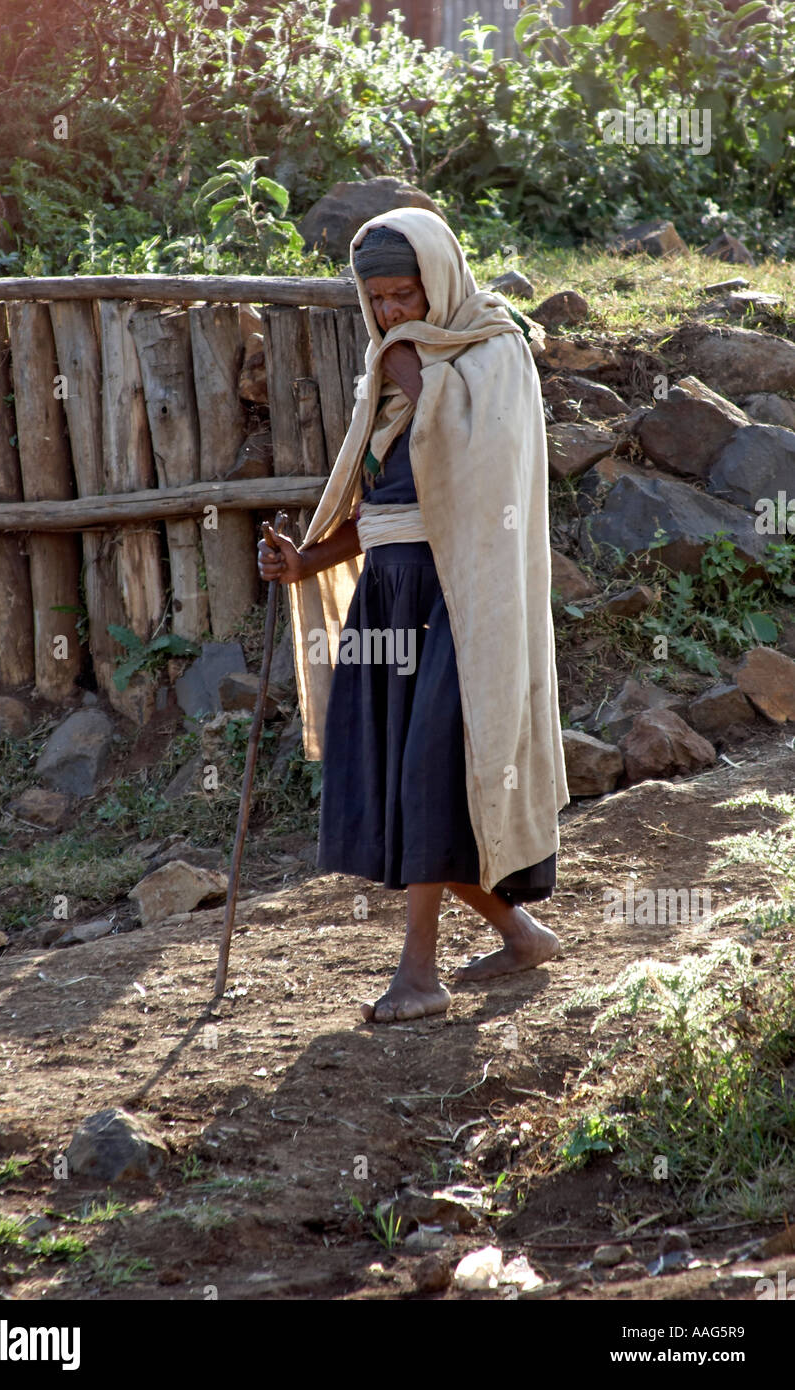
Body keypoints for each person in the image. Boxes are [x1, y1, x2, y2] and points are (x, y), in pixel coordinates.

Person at [258, 207, 570, 1023]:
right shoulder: (392, 366)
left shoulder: (494, 351)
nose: (392, 311)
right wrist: (308, 560)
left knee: (434, 772)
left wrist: (406, 371)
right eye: (379, 299)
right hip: (391, 597)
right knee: (407, 783)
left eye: (405, 293)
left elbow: (474, 471)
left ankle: (419, 977)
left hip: (464, 600)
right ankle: (524, 936)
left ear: (438, 280)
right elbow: (382, 505)